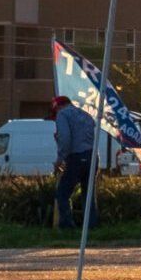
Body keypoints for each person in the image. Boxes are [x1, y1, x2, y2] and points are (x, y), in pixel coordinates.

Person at [52, 95, 95, 229]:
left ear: (58, 106)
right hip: (92, 155)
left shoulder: (62, 114)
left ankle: (67, 226)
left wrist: (59, 160)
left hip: (76, 157)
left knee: (62, 193)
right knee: (88, 193)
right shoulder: (85, 114)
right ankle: (91, 226)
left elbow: (65, 139)